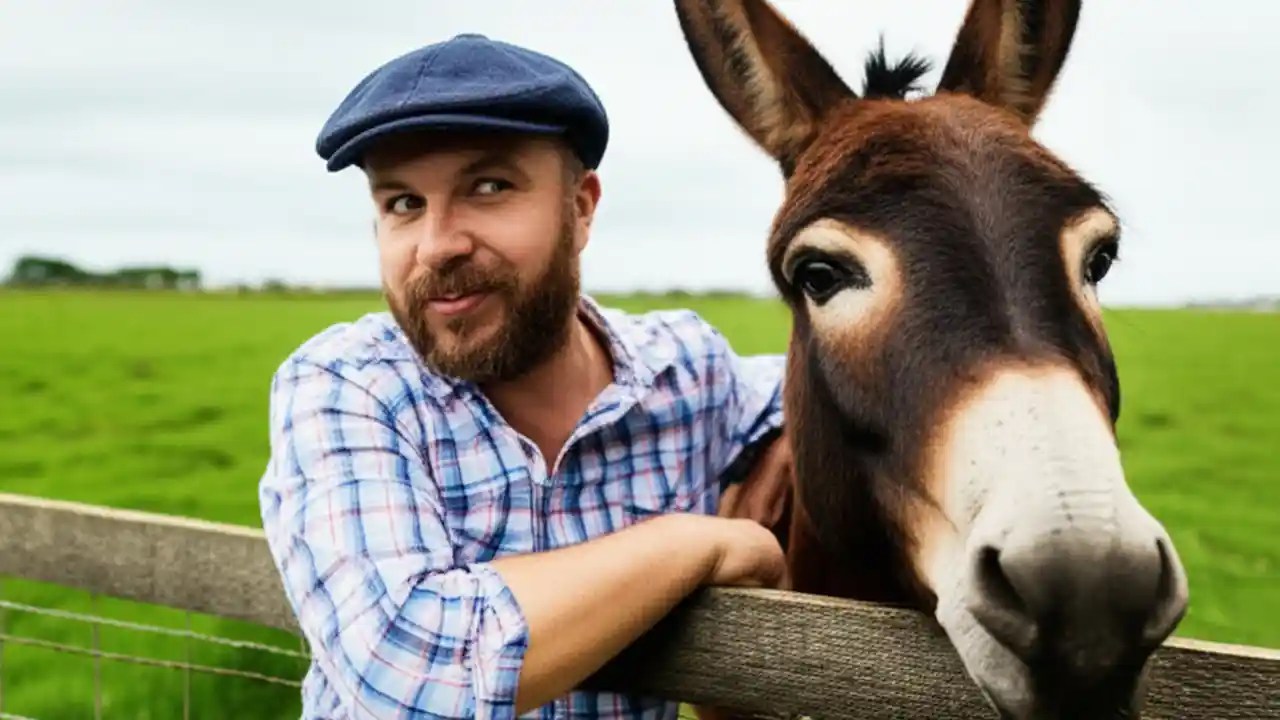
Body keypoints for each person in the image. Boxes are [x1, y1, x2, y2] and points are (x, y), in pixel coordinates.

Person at [257, 32, 792, 720]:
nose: (438, 244)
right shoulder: (349, 390)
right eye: (402, 204)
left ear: (581, 207)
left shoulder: (686, 373)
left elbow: (848, 386)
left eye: (488, 187)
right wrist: (698, 541)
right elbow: (414, 679)